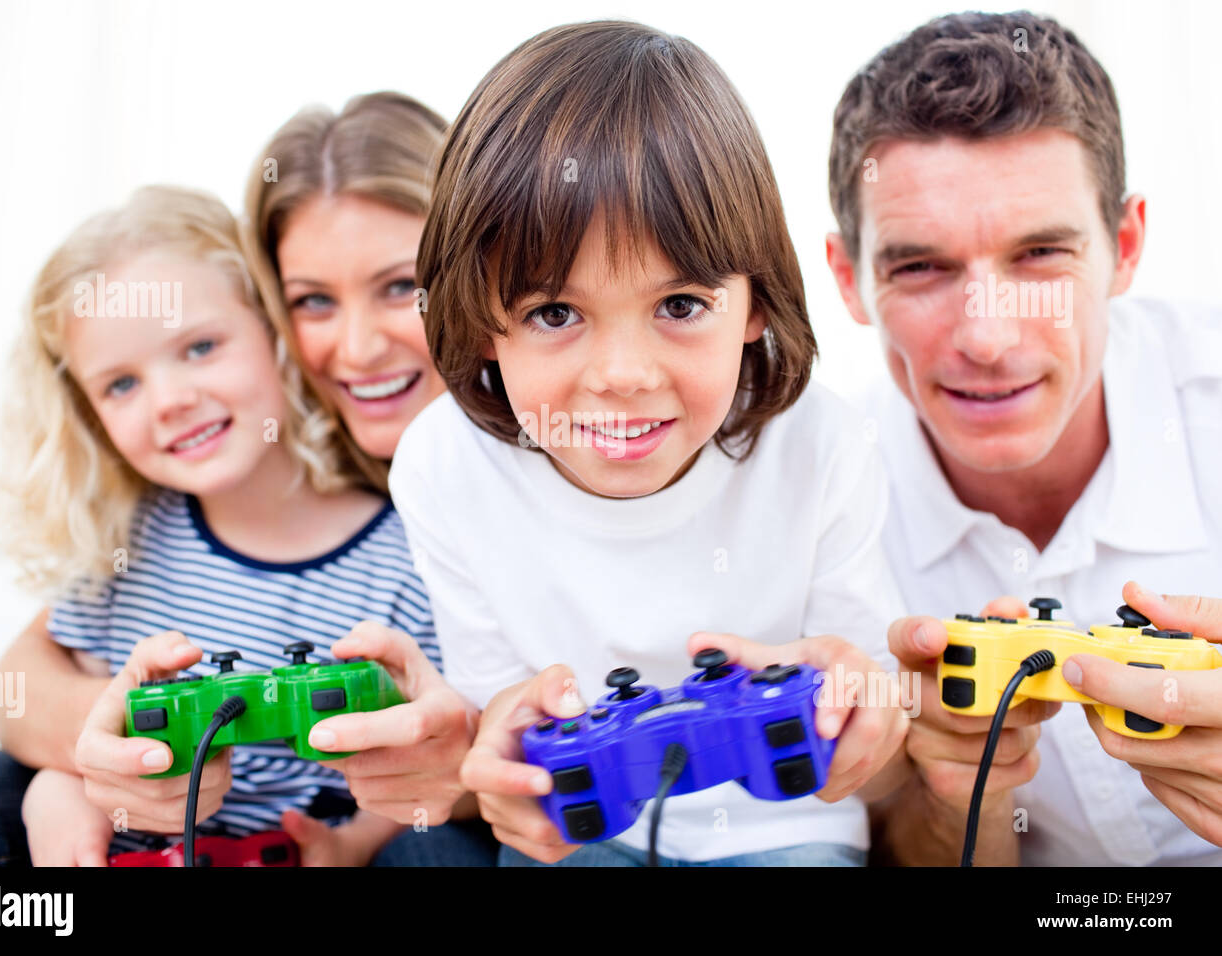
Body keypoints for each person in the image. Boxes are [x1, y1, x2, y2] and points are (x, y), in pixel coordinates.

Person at [392, 20, 910, 866]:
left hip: (789, 828)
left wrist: (860, 704)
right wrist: (501, 756)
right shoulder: (443, 466)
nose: (624, 374)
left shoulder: (825, 442)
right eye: (555, 314)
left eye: (680, 306)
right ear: (481, 324)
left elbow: (865, 725)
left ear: (756, 306)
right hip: (585, 827)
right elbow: (499, 718)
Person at [822, 10, 1222, 864]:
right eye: (920, 267)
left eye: (1040, 253)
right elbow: (893, 849)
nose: (989, 338)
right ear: (849, 279)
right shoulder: (814, 509)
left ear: (1125, 244)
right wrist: (959, 796)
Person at [0, 185, 432, 865]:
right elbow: (59, 716)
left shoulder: (404, 552)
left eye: (200, 347)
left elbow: (430, 758)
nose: (171, 400)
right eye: (121, 384)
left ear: (274, 330)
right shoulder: (122, 541)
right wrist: (58, 791)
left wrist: (350, 845)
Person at [240, 91, 496, 865]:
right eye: (314, 301)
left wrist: (457, 779)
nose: (354, 350)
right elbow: (27, 673)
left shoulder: (571, 457)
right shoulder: (265, 451)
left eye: (397, 288)